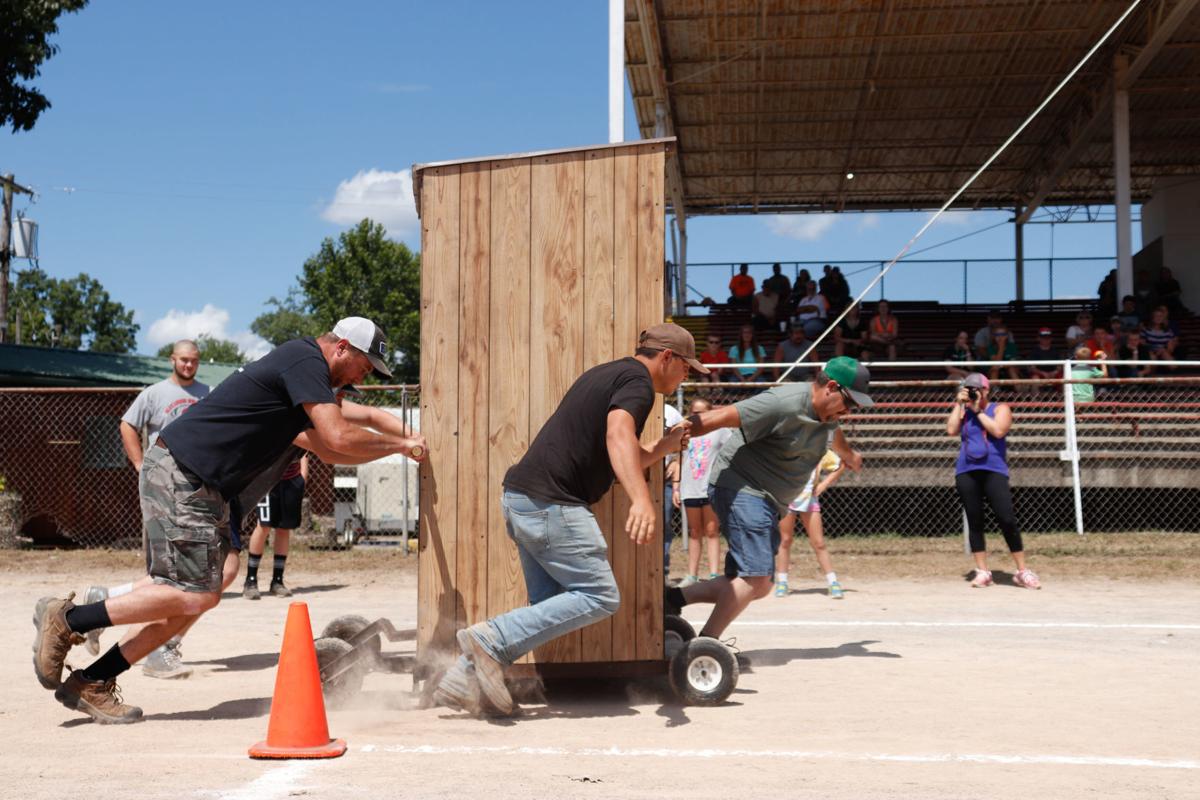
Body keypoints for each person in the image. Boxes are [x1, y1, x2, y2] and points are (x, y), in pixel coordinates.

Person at [33, 317, 428, 724]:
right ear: (342, 347)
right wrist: (403, 445)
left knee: (202, 592)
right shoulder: (305, 360)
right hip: (184, 473)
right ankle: (68, 619)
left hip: (211, 489)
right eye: (365, 364)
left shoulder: (310, 385)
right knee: (193, 594)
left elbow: (333, 449)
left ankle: (92, 681)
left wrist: (404, 446)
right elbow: (339, 438)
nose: (364, 376)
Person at [432, 323, 699, 717]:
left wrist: (661, 448)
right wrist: (642, 500)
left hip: (523, 498)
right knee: (600, 596)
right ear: (666, 358)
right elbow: (617, 437)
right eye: (687, 367)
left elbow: (619, 452)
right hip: (552, 504)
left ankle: (461, 678)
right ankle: (489, 641)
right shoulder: (639, 385)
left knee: (548, 609)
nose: (687, 375)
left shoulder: (609, 373)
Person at [664, 356, 870, 643]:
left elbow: (835, 437)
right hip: (742, 487)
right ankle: (706, 648)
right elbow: (716, 418)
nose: (850, 411)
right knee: (757, 577)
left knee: (757, 585)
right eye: (850, 403)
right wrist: (661, 442)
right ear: (831, 388)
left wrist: (850, 457)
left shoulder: (829, 418)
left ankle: (671, 599)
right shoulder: (783, 402)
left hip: (769, 501)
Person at [86, 339, 210, 680]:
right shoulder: (154, 393)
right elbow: (127, 424)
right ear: (172, 359)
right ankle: (154, 647)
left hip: (196, 486)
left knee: (183, 572)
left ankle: (103, 603)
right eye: (183, 360)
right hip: (163, 485)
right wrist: (140, 463)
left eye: (194, 361)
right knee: (176, 571)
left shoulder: (207, 392)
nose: (189, 366)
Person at [946, 373, 1040, 590]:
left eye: (977, 389)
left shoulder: (1000, 408)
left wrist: (978, 410)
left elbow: (998, 430)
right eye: (969, 388)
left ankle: (1022, 570)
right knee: (975, 520)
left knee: (1006, 518)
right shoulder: (964, 410)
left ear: (987, 390)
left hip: (993, 469)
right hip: (967, 470)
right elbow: (951, 430)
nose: (973, 392)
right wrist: (959, 405)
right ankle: (982, 570)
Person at [672, 398, 733, 588]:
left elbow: (731, 451)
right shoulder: (685, 431)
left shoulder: (720, 430)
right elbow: (679, 458)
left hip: (710, 486)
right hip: (690, 487)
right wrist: (676, 486)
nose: (697, 416)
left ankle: (715, 574)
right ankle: (692, 575)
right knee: (694, 531)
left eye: (701, 412)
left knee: (712, 531)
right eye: (694, 412)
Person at [775, 447, 846, 599]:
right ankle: (782, 582)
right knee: (785, 540)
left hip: (809, 499)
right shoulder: (784, 445)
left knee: (818, 543)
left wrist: (823, 484)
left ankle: (832, 582)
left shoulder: (818, 448)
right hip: (787, 499)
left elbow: (840, 465)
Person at [242, 453, 309, 600]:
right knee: (263, 526)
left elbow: (305, 449)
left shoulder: (297, 429)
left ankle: (277, 580)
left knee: (284, 529)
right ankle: (251, 580)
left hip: (292, 479)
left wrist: (303, 475)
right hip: (267, 479)